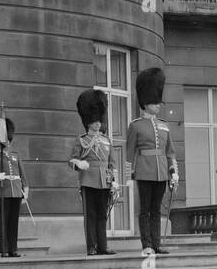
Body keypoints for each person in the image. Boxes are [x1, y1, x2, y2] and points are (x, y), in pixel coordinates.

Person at [125, 68, 178, 257]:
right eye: (155, 103)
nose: (158, 106)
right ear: (146, 103)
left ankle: (156, 244)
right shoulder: (136, 125)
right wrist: (127, 176)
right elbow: (129, 153)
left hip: (161, 172)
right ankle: (146, 244)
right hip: (144, 171)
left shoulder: (164, 125)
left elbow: (170, 152)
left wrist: (173, 172)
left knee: (156, 211)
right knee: (145, 210)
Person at [71, 90, 118, 256]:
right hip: (88, 180)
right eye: (95, 120)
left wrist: (114, 182)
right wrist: (79, 163)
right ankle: (91, 246)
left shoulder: (107, 140)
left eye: (99, 120)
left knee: (102, 215)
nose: (98, 123)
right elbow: (72, 160)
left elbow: (112, 164)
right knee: (90, 215)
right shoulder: (82, 140)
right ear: (88, 121)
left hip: (104, 181)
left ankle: (102, 246)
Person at [0, 117, 26, 258]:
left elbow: (22, 175)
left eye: (9, 139)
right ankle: (3, 249)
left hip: (16, 192)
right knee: (3, 222)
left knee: (13, 223)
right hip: (2, 192)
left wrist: (25, 190)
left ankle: (13, 249)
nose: (8, 142)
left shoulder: (16, 155)